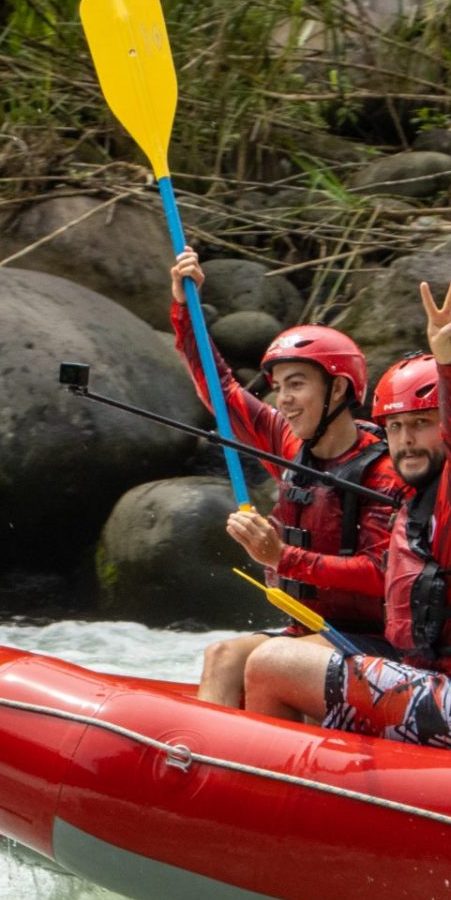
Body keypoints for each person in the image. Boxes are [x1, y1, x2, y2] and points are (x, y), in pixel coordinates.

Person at [241, 280, 451, 751]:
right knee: (267, 664)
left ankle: (269, 802)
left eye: (421, 424)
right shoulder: (415, 499)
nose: (407, 440)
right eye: (395, 427)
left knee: (273, 664)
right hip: (432, 681)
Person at [167, 250, 400, 708]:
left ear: (337, 389)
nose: (284, 400)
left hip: (382, 645)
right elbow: (222, 390)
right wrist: (184, 310)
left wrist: (282, 556)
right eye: (278, 387)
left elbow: (382, 575)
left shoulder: (385, 471)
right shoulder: (292, 446)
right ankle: (203, 767)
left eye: (297, 384)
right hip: (310, 630)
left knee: (270, 660)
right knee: (223, 655)